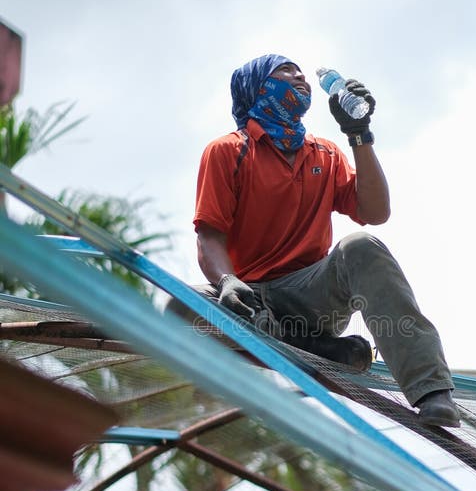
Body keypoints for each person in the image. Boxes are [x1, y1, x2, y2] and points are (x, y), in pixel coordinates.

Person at [193, 54, 460, 428]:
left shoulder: (325, 153)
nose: (298, 76)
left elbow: (376, 211)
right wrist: (226, 281)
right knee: (180, 307)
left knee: (362, 244)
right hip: (249, 301)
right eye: (284, 72)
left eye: (299, 71)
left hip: (310, 298)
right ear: (258, 88)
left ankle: (431, 390)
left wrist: (359, 134)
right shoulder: (227, 151)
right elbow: (209, 235)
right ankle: (318, 349)